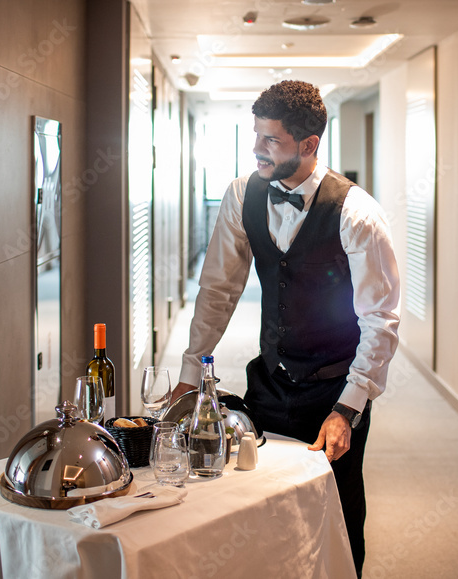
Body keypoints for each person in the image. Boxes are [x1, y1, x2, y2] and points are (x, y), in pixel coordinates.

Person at [170, 79, 400, 576]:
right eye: (256, 136)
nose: (256, 149)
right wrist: (191, 372)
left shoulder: (358, 214)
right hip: (270, 380)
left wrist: (348, 407)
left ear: (309, 145)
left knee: (336, 512)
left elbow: (380, 320)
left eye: (270, 140)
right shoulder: (241, 196)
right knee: (261, 506)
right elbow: (217, 291)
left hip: (333, 390)